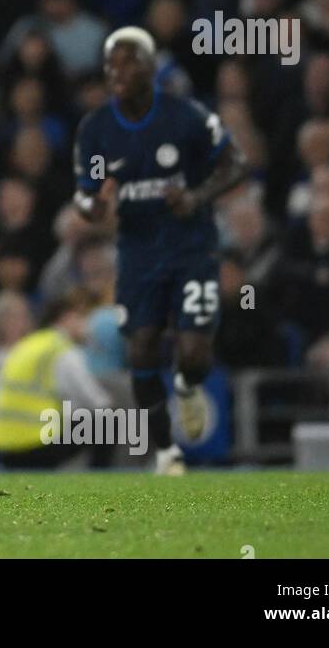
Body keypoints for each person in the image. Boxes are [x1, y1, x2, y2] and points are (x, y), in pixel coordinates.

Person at [73, 27, 248, 475]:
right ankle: (166, 451)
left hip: (192, 250)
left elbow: (236, 163)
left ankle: (188, 387)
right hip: (138, 254)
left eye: (127, 61)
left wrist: (196, 197)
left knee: (192, 352)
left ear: (150, 68)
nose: (116, 71)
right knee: (142, 350)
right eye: (111, 63)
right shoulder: (96, 130)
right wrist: (94, 207)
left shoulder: (186, 117)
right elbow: (86, 194)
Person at [0, 289, 112, 469]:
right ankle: (100, 481)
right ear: (67, 318)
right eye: (82, 318)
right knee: (106, 419)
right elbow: (97, 401)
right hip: (34, 443)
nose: (87, 326)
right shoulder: (61, 350)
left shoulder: (29, 344)